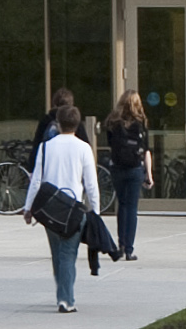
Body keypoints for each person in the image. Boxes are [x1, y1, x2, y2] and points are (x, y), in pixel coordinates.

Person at [27, 103, 103, 312]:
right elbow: (91, 184)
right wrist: (95, 211)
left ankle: (62, 293)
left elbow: (36, 180)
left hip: (50, 207)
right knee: (68, 254)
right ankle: (66, 299)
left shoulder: (46, 147)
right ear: (77, 124)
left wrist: (28, 207)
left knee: (57, 253)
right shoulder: (84, 148)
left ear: (58, 123)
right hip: (73, 209)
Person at [102, 90, 151, 261]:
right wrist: (149, 174)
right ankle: (129, 249)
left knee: (122, 205)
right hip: (135, 168)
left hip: (117, 168)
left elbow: (111, 144)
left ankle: (121, 245)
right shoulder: (141, 123)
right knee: (132, 208)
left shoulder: (112, 122)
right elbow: (146, 150)